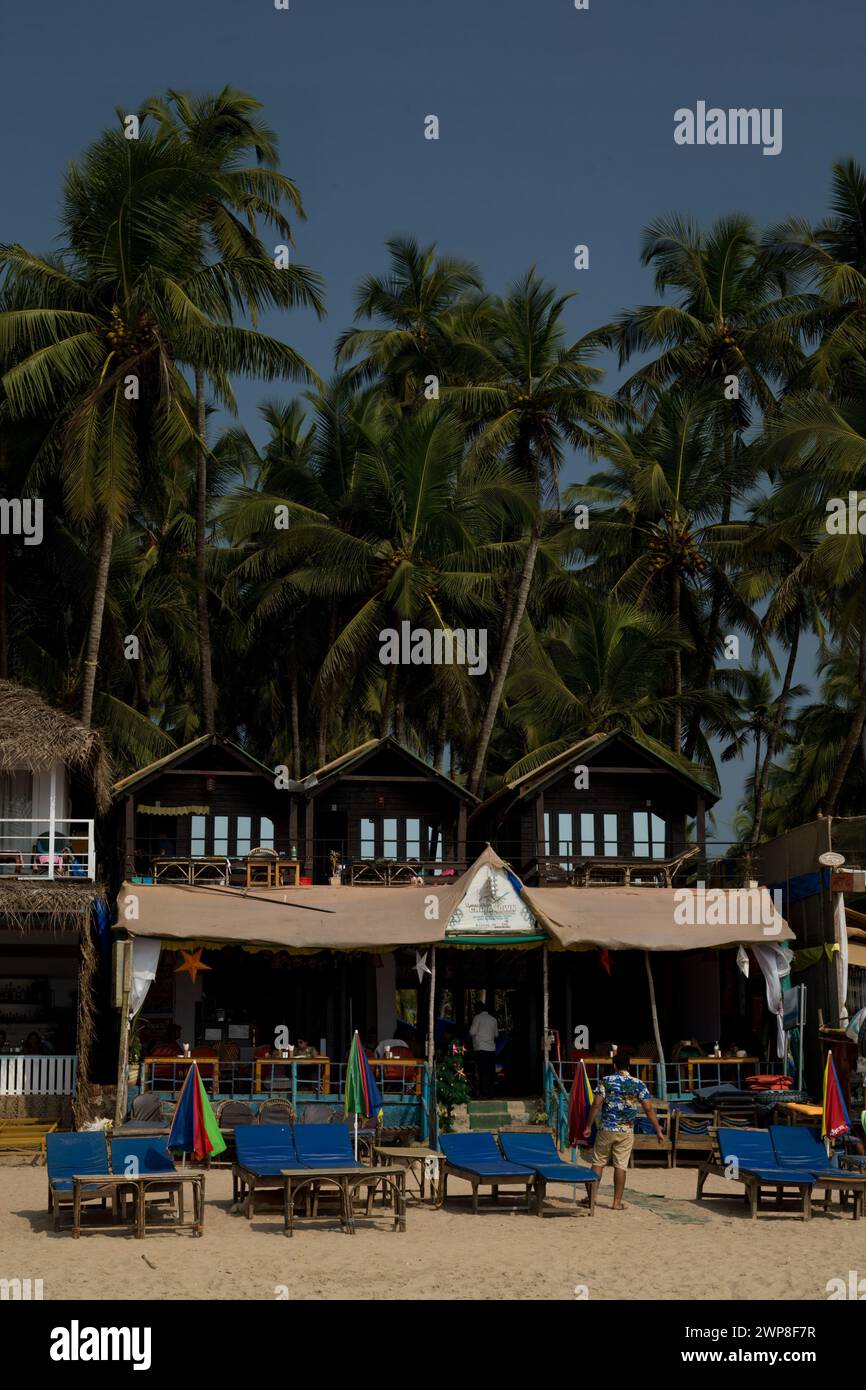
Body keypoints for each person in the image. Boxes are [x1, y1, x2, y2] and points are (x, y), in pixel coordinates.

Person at [584, 1049, 664, 1210]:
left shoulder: (606, 1080)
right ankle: (616, 1203)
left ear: (614, 1065)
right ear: (629, 1066)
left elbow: (596, 1104)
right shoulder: (638, 1083)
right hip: (626, 1131)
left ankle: (591, 1199)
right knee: (621, 1165)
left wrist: (588, 1126)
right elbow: (648, 1108)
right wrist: (658, 1130)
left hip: (606, 1128)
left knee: (598, 1162)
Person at [469, 998, 498, 1099]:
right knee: (490, 1072)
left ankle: (484, 1093)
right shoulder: (493, 1019)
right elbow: (496, 1034)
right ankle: (491, 1093)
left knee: (482, 1072)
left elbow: (472, 1032)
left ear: (478, 1009)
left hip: (481, 1048)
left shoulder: (477, 1018)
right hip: (492, 1049)